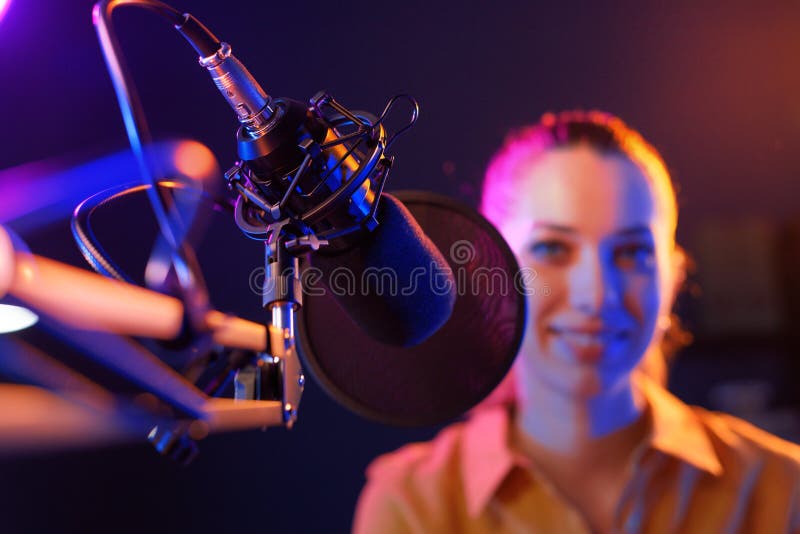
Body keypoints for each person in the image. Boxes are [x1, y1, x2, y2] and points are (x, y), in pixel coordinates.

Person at [353, 111, 800, 533]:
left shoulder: (782, 489)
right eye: (552, 249)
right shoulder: (414, 503)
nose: (597, 295)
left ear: (673, 280)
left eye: (632, 253)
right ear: (488, 276)